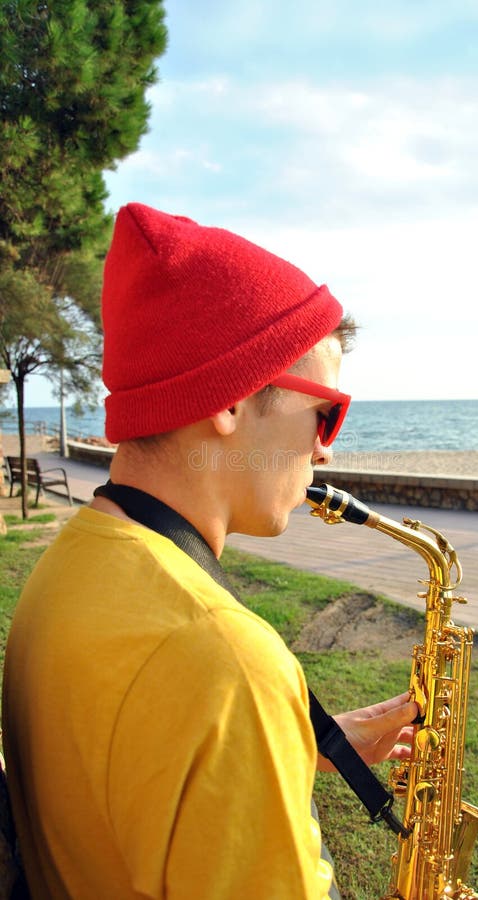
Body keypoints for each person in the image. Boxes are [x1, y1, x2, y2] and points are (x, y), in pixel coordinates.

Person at [2, 203, 418, 899]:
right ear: (227, 399)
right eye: (326, 412)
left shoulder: (69, 565)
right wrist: (249, 712)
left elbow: (129, 771)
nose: (327, 447)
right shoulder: (222, 661)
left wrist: (290, 740)